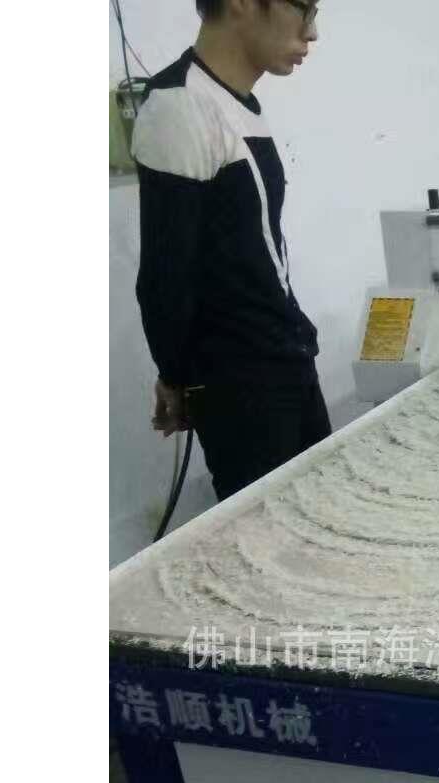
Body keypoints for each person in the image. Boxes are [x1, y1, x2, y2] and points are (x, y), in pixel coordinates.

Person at [131, 0, 328, 502]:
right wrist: (175, 374)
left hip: (286, 357)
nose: (312, 32)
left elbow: (254, 253)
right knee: (272, 538)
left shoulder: (237, 105)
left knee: (326, 513)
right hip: (242, 383)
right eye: (304, 8)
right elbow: (165, 274)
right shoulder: (179, 106)